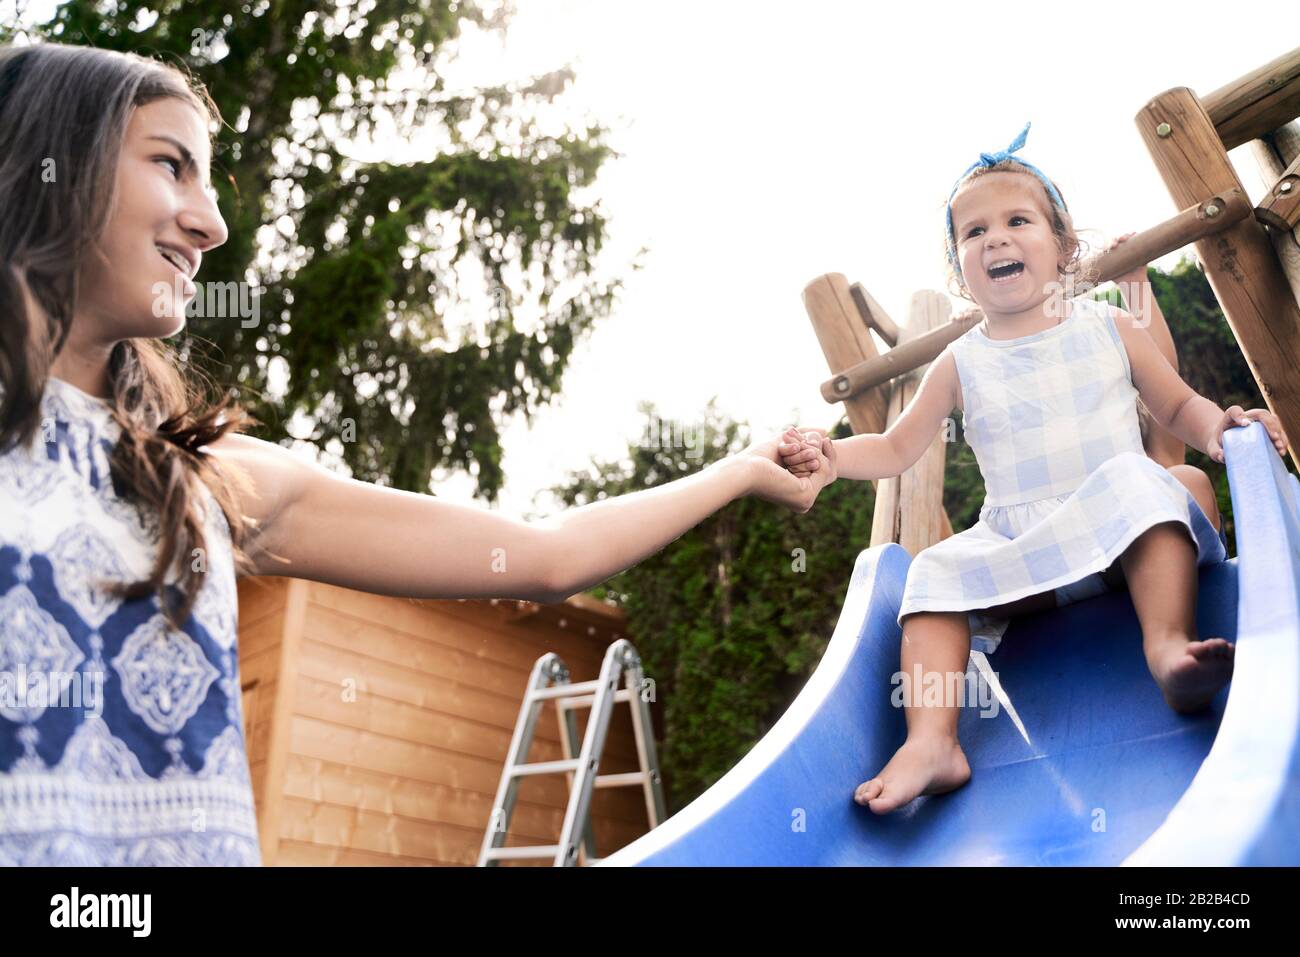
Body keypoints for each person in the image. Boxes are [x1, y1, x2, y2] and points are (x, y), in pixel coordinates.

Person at [0, 43, 834, 864]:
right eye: (171, 165)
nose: (213, 223)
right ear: (52, 161)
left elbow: (546, 555)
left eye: (209, 181)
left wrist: (739, 470)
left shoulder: (205, 485)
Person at [776, 122, 1289, 816]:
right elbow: (898, 447)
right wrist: (834, 457)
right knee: (930, 574)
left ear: (1063, 247)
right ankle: (933, 739)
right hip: (1024, 554)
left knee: (1142, 479)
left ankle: (1167, 647)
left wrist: (1220, 427)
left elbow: (1176, 403)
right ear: (961, 271)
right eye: (974, 231)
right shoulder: (960, 361)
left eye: (1018, 220)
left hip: (1119, 536)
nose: (996, 237)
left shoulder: (1108, 326)